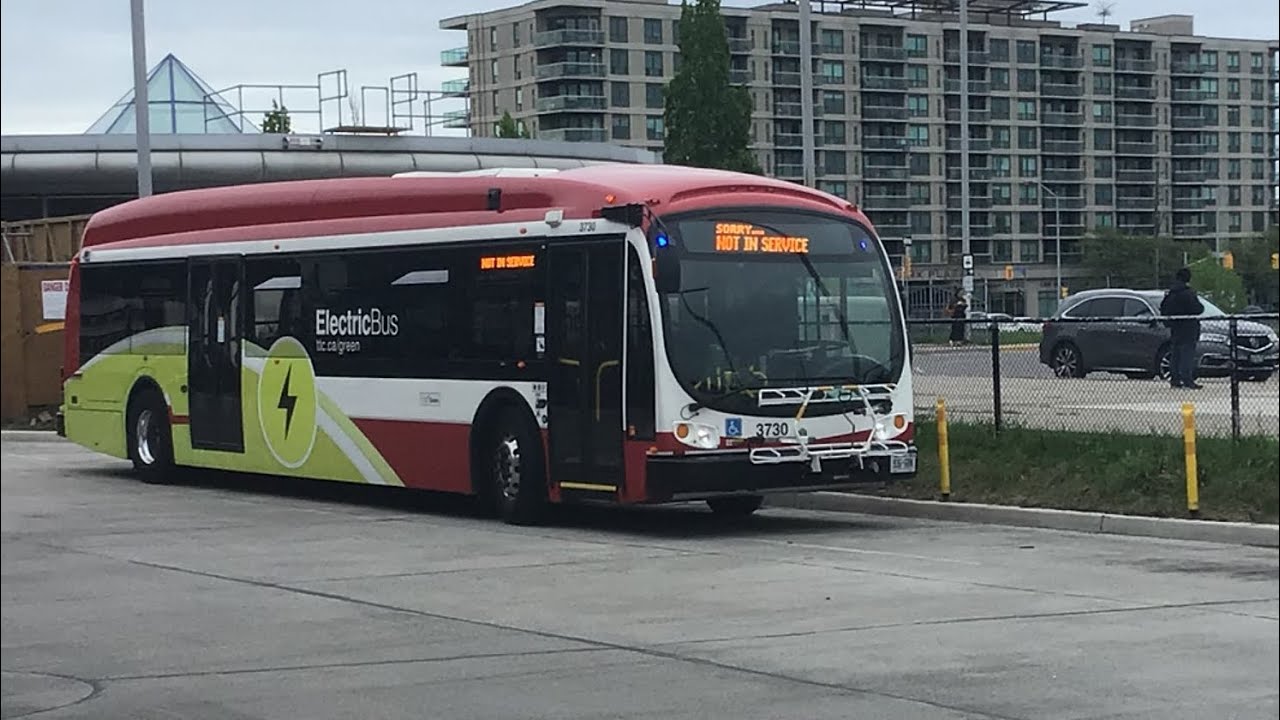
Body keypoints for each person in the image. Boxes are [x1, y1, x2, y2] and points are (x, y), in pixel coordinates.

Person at [1159, 267, 1204, 389]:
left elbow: (1163, 309)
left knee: (1175, 354)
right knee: (1187, 354)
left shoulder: (1170, 294)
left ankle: (1175, 380)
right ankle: (1187, 380)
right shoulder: (1188, 293)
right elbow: (1198, 309)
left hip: (1175, 327)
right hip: (1189, 327)